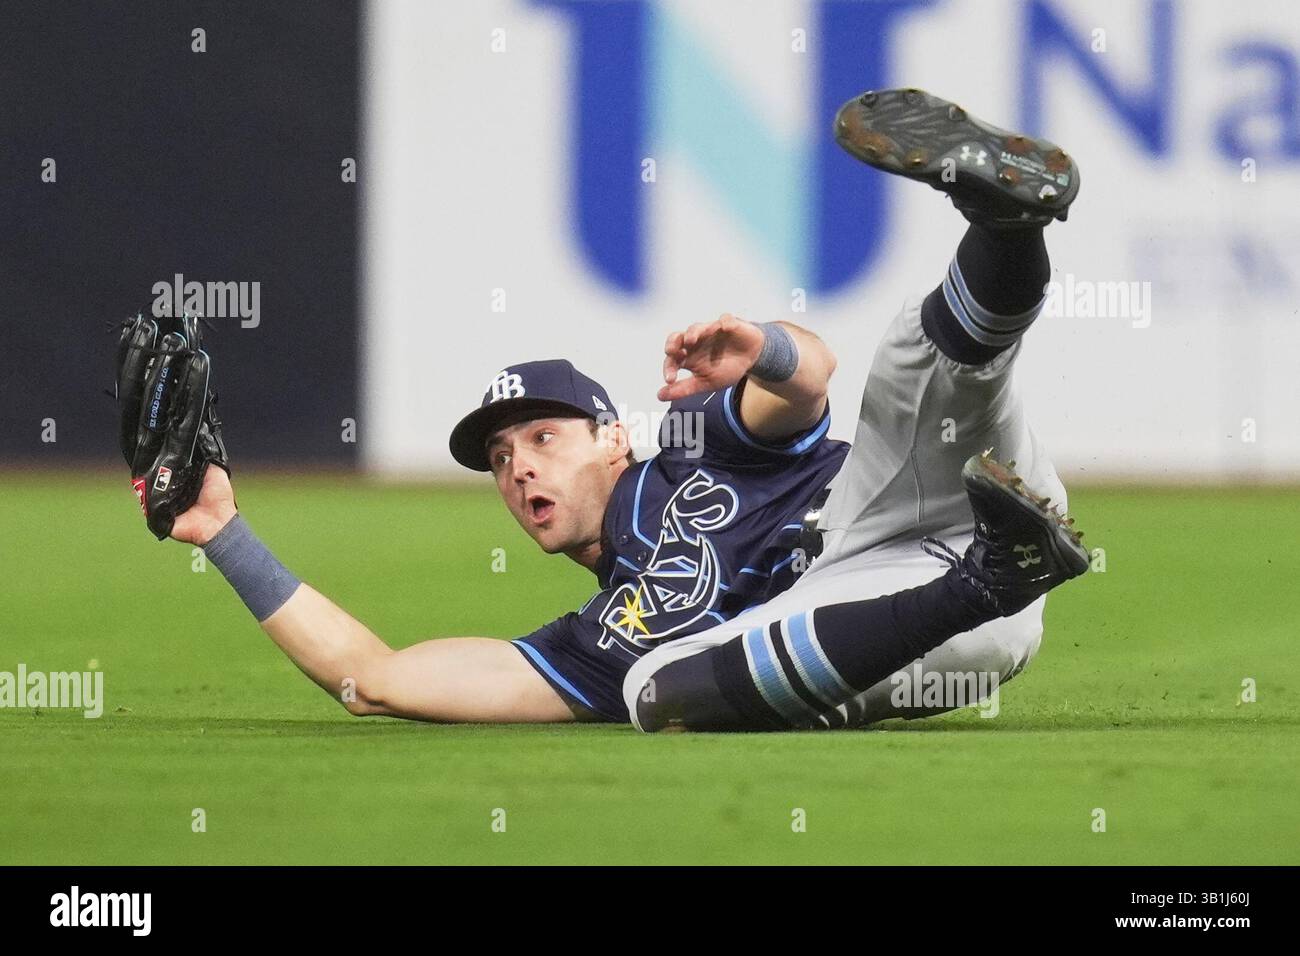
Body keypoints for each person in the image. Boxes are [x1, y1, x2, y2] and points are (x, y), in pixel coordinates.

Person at [165, 88, 1089, 730]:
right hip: (933, 622)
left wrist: (760, 346)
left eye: (541, 435)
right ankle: (992, 579)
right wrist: (222, 530)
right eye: (498, 458)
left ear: (613, 437)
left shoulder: (689, 447)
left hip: (922, 502)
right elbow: (376, 680)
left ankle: (1006, 223)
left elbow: (809, 377)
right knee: (654, 690)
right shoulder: (596, 644)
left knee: (905, 360)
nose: (518, 464)